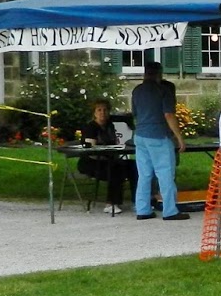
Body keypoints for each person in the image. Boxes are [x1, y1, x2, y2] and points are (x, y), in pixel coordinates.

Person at [131, 60, 188, 221]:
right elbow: (169, 115)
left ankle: (143, 209)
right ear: (159, 73)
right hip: (159, 135)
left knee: (144, 175)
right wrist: (179, 137)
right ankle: (170, 210)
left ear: (145, 72)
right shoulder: (164, 90)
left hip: (140, 135)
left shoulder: (137, 90)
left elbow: (134, 113)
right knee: (165, 174)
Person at [77, 98, 136, 215]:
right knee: (116, 169)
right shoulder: (91, 127)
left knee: (133, 166)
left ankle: (138, 200)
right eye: (99, 110)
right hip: (91, 162)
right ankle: (111, 204)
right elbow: (91, 149)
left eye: (105, 110)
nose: (102, 113)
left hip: (108, 160)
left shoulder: (110, 126)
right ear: (94, 113)